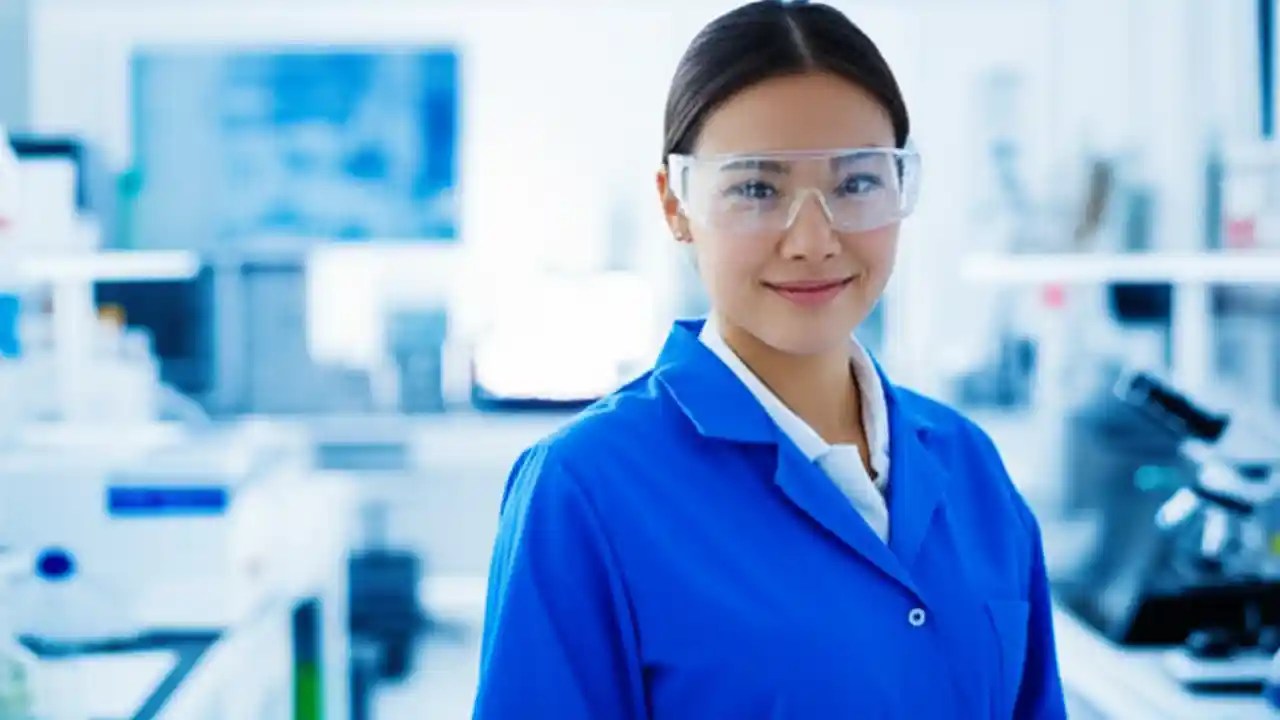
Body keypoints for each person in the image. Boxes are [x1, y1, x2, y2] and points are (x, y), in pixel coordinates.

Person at [473, 2, 1068, 718]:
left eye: (856, 184)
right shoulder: (585, 490)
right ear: (675, 203)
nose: (813, 239)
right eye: (757, 189)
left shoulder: (970, 470)